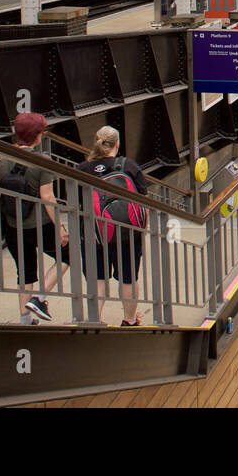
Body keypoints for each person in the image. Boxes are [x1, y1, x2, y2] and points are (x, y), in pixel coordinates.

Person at [0, 112, 69, 325]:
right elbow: (48, 197)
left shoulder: (2, 159)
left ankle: (25, 319)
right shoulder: (42, 161)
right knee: (69, 254)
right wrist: (60, 227)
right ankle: (39, 298)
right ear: (38, 136)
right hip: (38, 224)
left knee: (25, 271)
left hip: (12, 225)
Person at [78, 126, 149, 326]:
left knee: (98, 279)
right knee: (128, 278)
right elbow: (143, 198)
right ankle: (129, 320)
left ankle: (95, 319)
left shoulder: (83, 169)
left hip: (94, 233)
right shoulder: (129, 166)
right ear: (117, 143)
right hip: (127, 233)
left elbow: (74, 201)